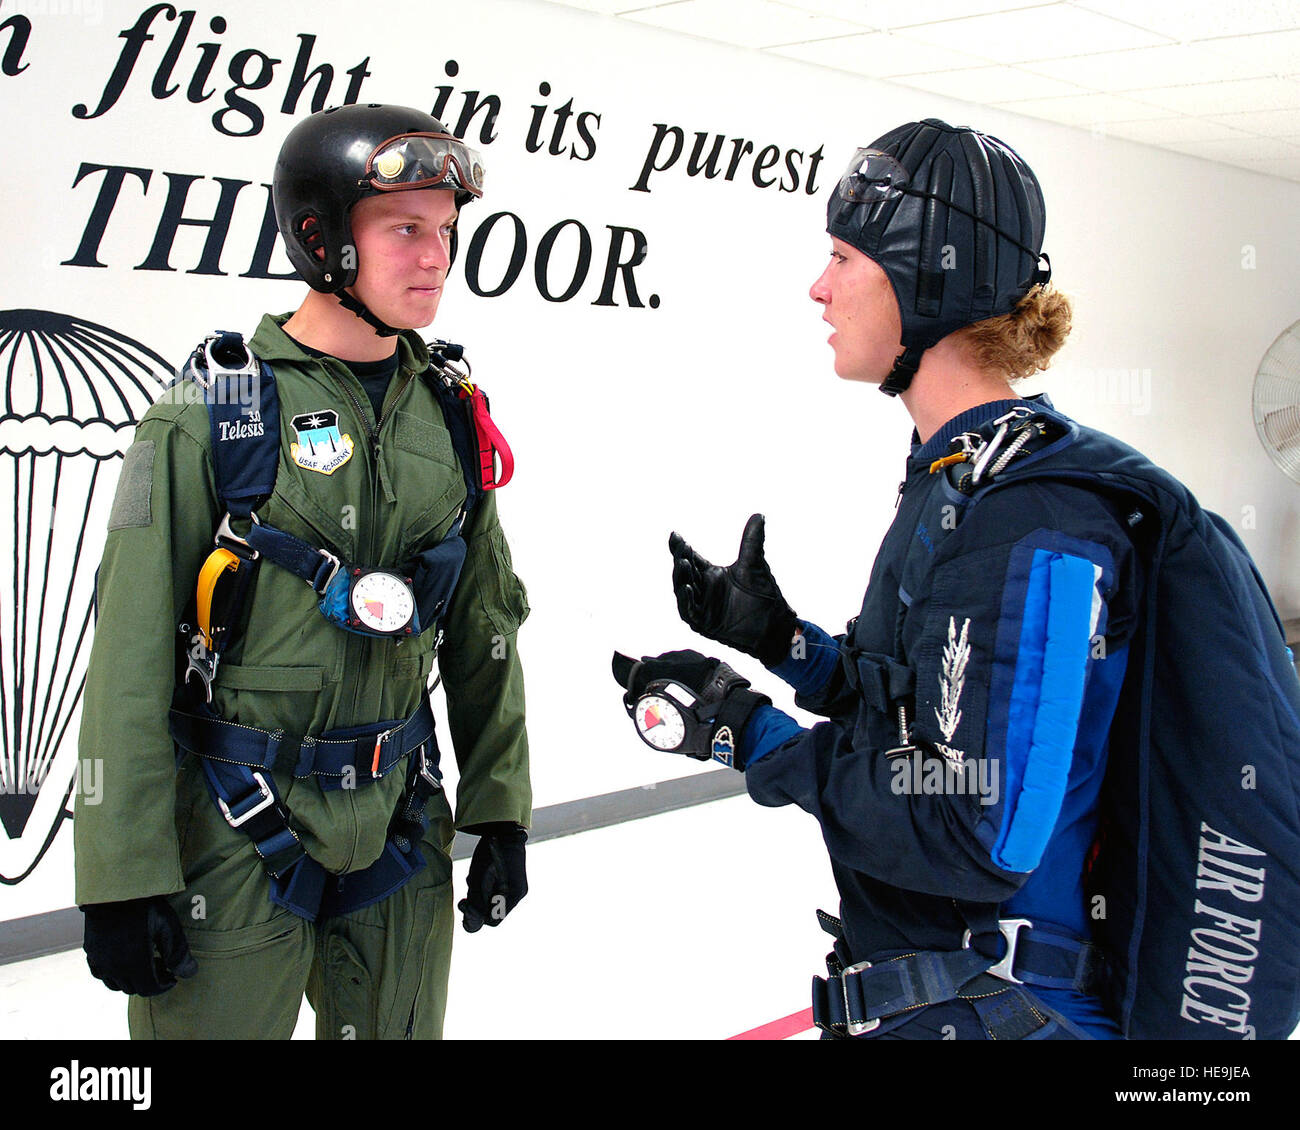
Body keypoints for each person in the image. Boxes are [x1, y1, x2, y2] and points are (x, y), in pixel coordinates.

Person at [613, 118, 1143, 1040]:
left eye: (843, 258)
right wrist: (784, 645)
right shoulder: (955, 478)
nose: (819, 288)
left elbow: (984, 822)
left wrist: (751, 733)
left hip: (1009, 1015)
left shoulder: (1038, 516)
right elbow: (927, 716)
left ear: (929, 277)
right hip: (939, 1005)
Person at [75, 103, 532, 1040]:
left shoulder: (448, 413)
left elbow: (487, 620)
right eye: (406, 228)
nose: (437, 256)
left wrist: (501, 808)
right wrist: (122, 880)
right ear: (321, 239)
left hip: (400, 828)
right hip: (233, 837)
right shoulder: (212, 410)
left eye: (445, 230)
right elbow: (127, 654)